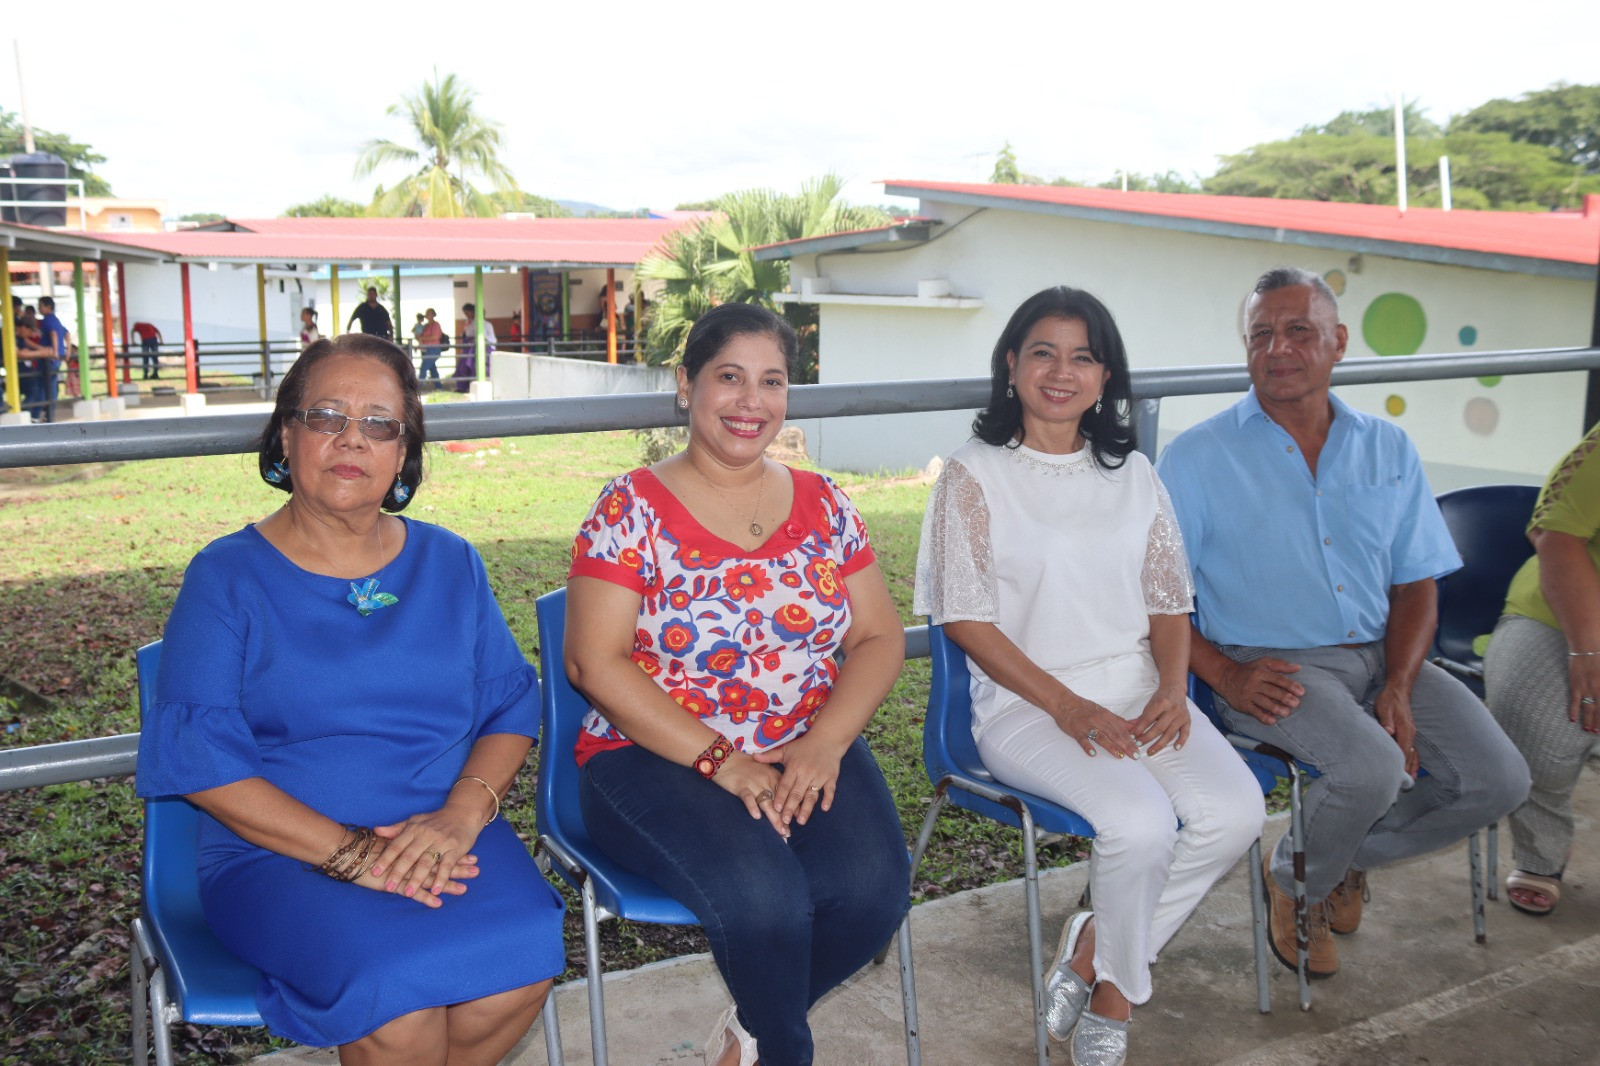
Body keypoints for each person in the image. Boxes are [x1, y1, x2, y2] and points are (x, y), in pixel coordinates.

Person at [135, 332, 564, 1063]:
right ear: (286, 433)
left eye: (379, 424)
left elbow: (509, 705)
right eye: (326, 415)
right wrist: (352, 855)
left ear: (404, 453)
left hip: (441, 837)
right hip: (279, 854)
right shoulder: (226, 577)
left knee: (522, 962)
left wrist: (460, 817)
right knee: (399, 1006)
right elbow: (201, 763)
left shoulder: (451, 561)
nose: (350, 440)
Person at [914, 286, 1262, 1066]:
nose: (1061, 371)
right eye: (1043, 351)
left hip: (1137, 690)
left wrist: (1173, 688)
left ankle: (1096, 951)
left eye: (1082, 356)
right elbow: (964, 619)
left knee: (1235, 810)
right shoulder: (973, 477)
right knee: (1140, 824)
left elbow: (1169, 602)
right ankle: (1118, 998)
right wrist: (1067, 706)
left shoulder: (1133, 474)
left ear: (1106, 377)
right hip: (1027, 706)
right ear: (1011, 365)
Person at [1157, 266, 1529, 980]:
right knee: (1370, 769)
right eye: (1261, 334)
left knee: (1498, 777)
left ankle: (1330, 855)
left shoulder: (1386, 448)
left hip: (1383, 654)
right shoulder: (1198, 458)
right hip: (1270, 665)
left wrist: (1399, 681)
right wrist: (1228, 674)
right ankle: (1299, 882)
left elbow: (1416, 580)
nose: (1278, 349)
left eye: (1299, 331)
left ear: (1338, 344)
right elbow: (1156, 598)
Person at [564, 302, 910, 1066]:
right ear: (686, 385)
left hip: (802, 740)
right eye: (729, 377)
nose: (751, 402)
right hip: (651, 755)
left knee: (873, 893)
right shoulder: (630, 508)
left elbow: (880, 635)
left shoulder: (826, 506)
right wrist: (725, 762)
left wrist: (824, 744)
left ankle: (751, 1032)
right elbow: (594, 661)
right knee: (768, 902)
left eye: (772, 382)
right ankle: (782, 1048)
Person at [1484, 424, 1600, 916]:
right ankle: (1542, 849)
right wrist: (1588, 653)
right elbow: (1555, 534)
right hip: (1565, 612)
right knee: (1535, 732)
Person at [452, 303, 495, 393]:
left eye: (468, 313)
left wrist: (479, 336)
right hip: (471, 348)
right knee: (464, 364)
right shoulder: (471, 324)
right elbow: (468, 335)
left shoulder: (485, 324)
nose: (467, 315)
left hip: (485, 348)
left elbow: (489, 339)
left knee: (473, 365)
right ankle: (464, 386)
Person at [417, 308, 445, 388]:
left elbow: (436, 337)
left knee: (423, 367)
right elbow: (420, 335)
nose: (426, 315)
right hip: (426, 349)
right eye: (426, 313)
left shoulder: (436, 324)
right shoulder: (425, 325)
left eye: (428, 313)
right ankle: (439, 386)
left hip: (434, 349)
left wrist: (422, 338)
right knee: (432, 369)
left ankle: (417, 388)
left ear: (433, 315)